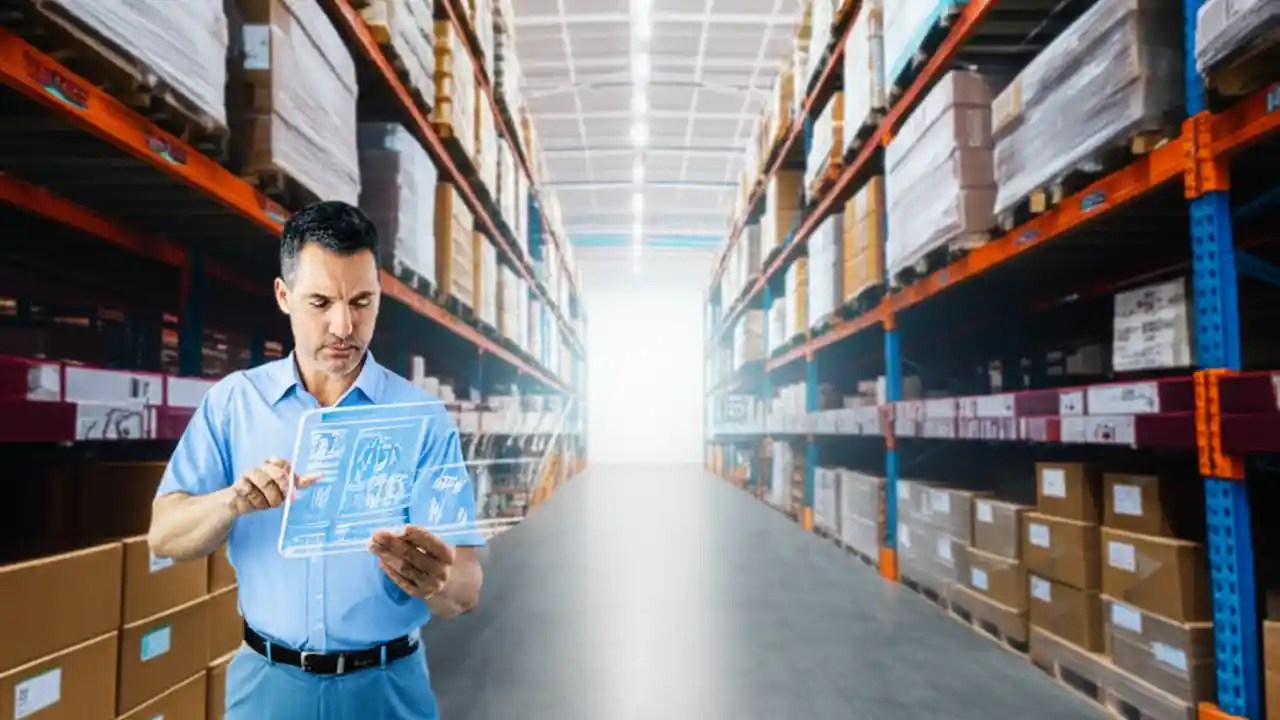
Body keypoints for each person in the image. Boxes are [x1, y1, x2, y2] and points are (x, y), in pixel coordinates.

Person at [148, 201, 484, 719]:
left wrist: (437, 581)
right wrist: (231, 502)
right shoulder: (235, 403)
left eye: (362, 301)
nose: (343, 326)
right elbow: (164, 535)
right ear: (284, 296)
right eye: (321, 302)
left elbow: (466, 585)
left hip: (388, 692)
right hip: (269, 689)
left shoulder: (421, 419)